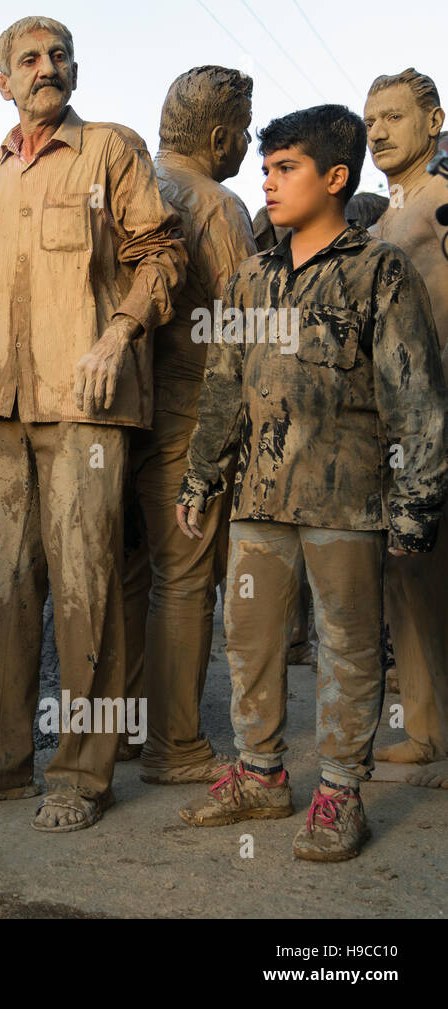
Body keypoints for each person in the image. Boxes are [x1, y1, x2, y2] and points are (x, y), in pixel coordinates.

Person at [0, 16, 186, 831]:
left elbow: (163, 253)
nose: (49, 67)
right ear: (3, 82)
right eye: (30, 59)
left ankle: (82, 774)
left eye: (60, 54)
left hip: (87, 406)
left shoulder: (111, 149)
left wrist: (118, 332)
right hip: (2, 409)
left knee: (88, 593)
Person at [177, 105, 448, 860]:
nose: (267, 182)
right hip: (259, 496)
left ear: (335, 177)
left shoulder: (378, 271)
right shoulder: (249, 281)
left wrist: (416, 502)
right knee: (250, 640)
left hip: (347, 495)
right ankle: (261, 773)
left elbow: (415, 395)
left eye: (285, 168)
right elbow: (222, 389)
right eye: (264, 169)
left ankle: (338, 790)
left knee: (349, 645)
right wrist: (201, 479)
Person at [120, 66, 257, 784]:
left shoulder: (129, 185)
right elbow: (246, 328)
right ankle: (175, 743)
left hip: (118, 416)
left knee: (127, 575)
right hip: (187, 417)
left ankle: (120, 733)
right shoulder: (217, 205)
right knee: (183, 576)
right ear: (219, 135)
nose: (249, 145)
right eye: (246, 131)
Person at [364, 69, 448, 772]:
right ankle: (424, 728)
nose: (378, 132)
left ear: (435, 119)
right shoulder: (387, 214)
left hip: (440, 416)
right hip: (397, 426)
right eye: (369, 122)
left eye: (393, 116)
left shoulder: (442, 202)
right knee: (408, 575)